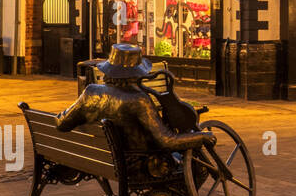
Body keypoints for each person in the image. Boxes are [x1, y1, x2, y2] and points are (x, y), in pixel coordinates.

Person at [56, 43, 213, 155]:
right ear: (137, 73)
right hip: (143, 165)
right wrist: (203, 136)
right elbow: (166, 140)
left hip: (107, 158)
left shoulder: (91, 92)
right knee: (198, 165)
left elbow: (62, 124)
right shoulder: (139, 100)